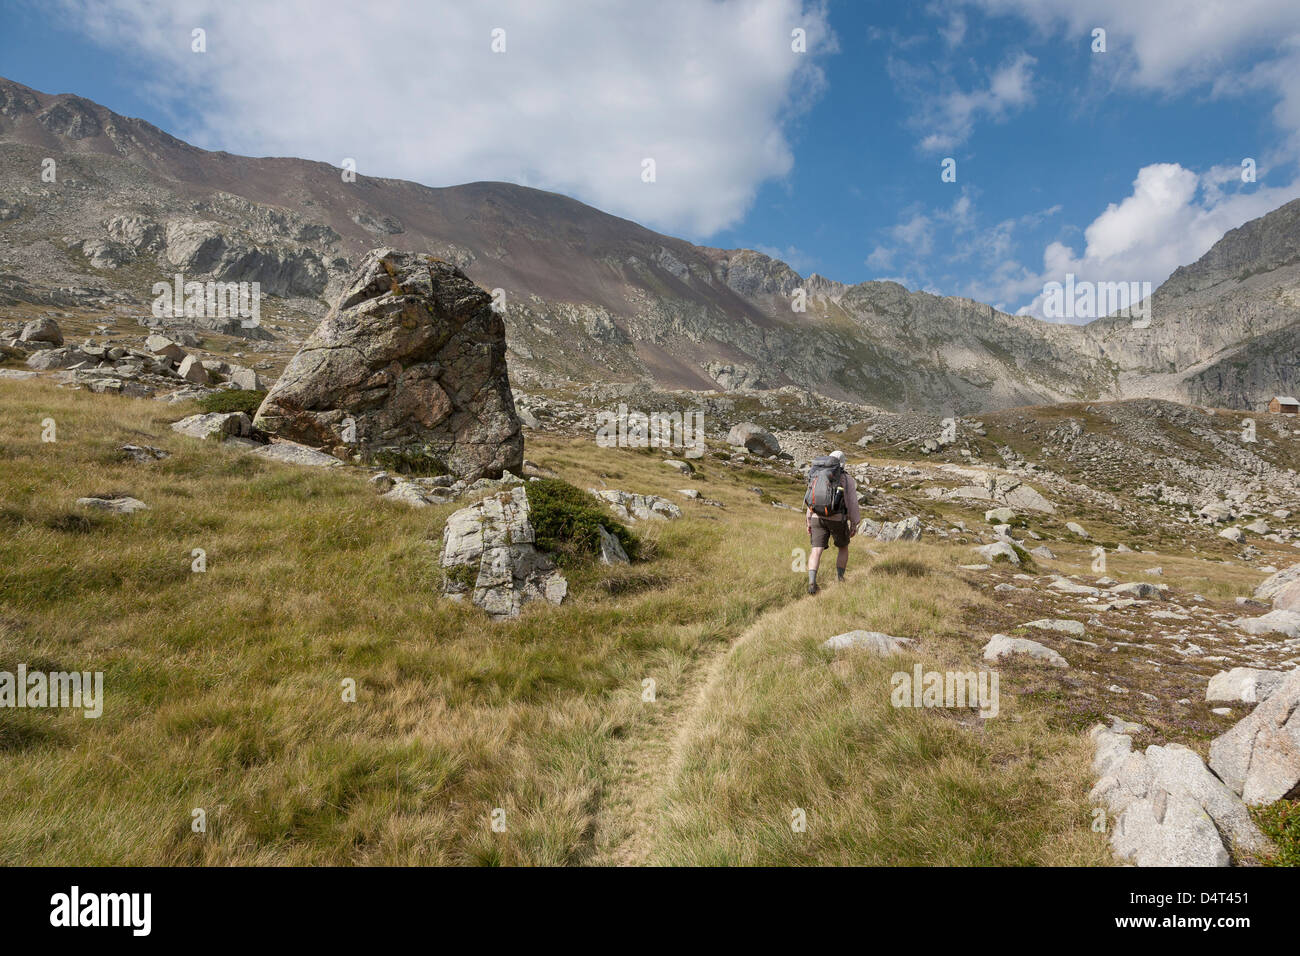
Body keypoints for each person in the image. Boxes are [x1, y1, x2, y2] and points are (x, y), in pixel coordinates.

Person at [804, 449, 859, 595]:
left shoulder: (817, 474)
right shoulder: (847, 479)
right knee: (843, 547)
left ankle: (811, 582)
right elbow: (852, 502)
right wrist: (854, 523)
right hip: (837, 518)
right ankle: (840, 579)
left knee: (816, 550)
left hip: (817, 516)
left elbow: (811, 497)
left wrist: (809, 520)